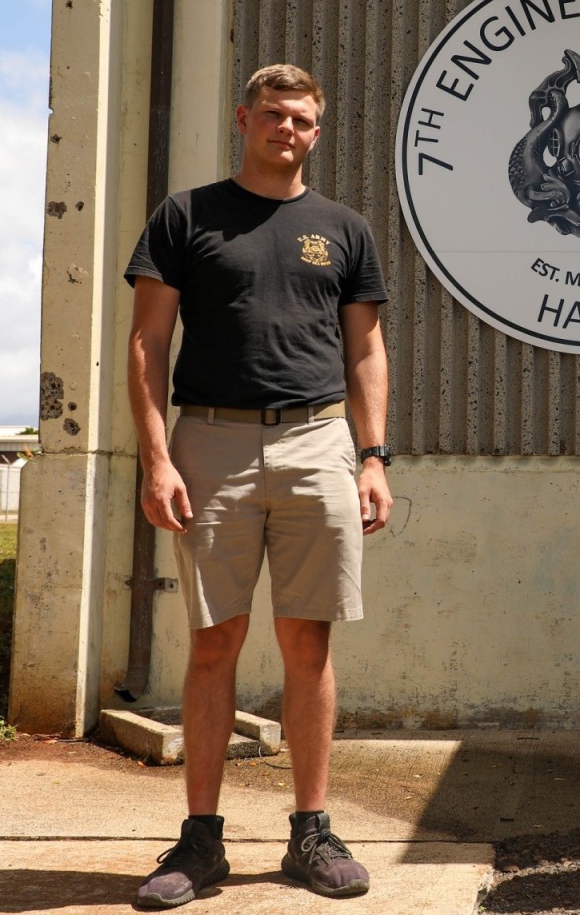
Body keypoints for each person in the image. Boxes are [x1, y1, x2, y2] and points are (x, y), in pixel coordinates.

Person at [125, 63, 392, 908]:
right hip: (211, 443)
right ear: (243, 118)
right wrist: (158, 458)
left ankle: (311, 832)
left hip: (320, 444)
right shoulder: (186, 217)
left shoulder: (343, 229)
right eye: (273, 114)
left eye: (303, 119)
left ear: (318, 131)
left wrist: (375, 455)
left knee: (309, 643)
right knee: (214, 643)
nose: (288, 129)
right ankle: (200, 842)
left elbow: (365, 351)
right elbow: (145, 345)